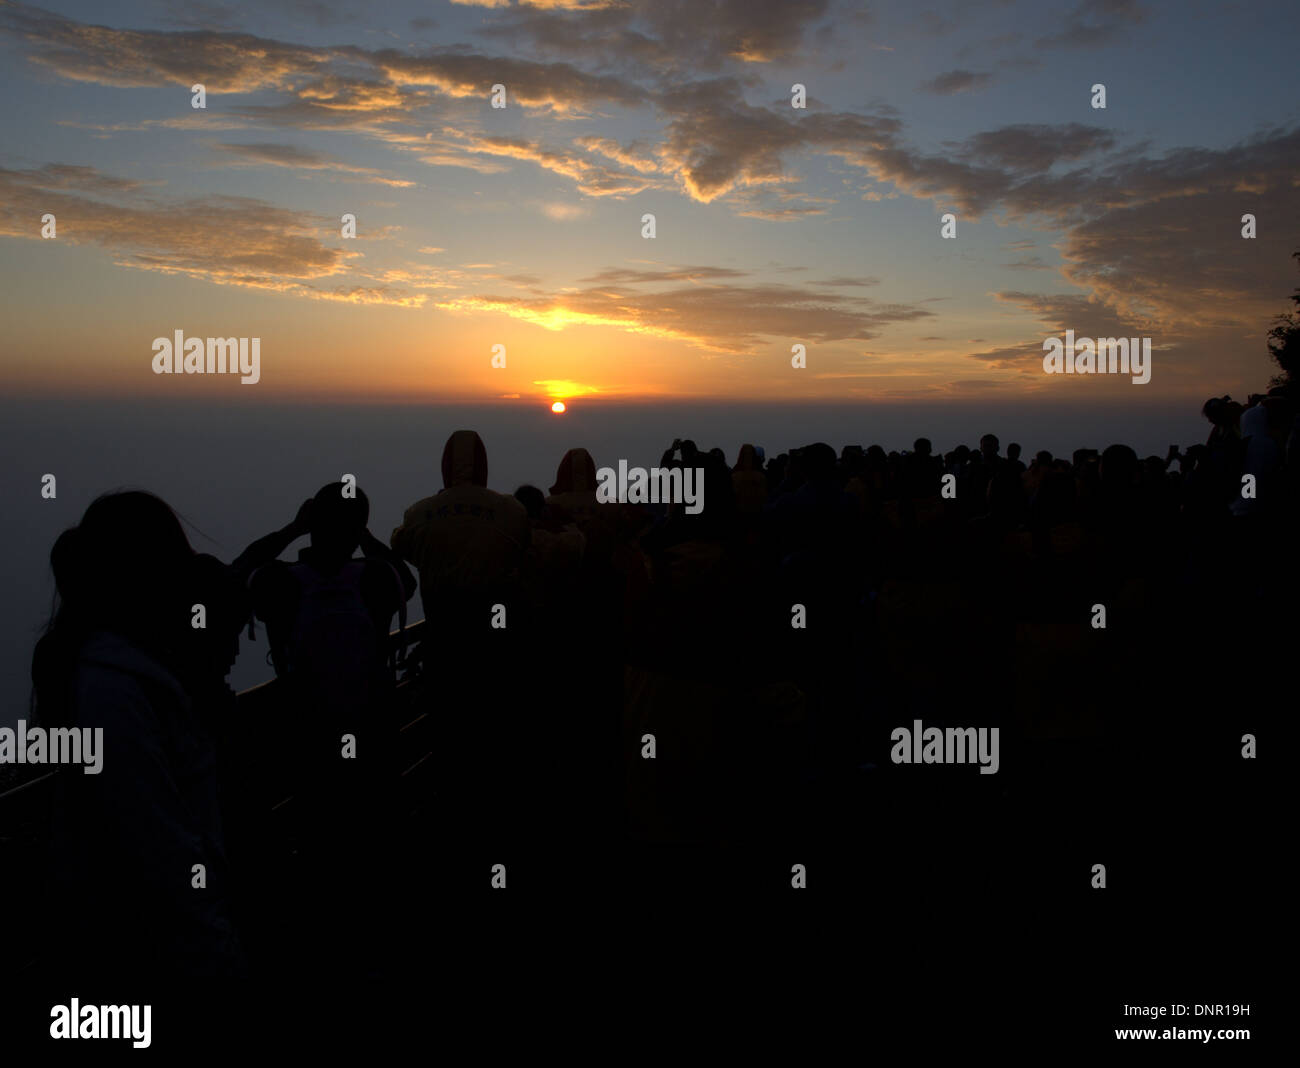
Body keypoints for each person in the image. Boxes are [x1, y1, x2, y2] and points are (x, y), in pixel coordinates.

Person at [31, 491, 244, 981]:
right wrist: (218, 950)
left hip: (131, 942)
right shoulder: (117, 691)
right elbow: (157, 839)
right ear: (147, 574)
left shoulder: (116, 675)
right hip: (146, 953)